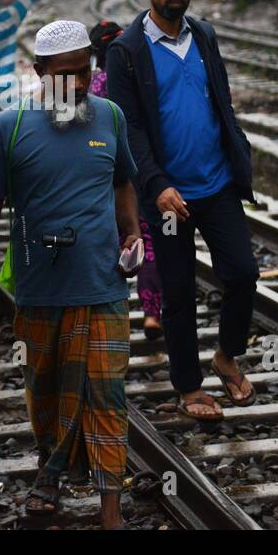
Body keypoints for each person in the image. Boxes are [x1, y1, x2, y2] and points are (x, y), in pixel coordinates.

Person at [0, 20, 140, 530]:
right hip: (40, 289)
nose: (76, 84)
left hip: (103, 286)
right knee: (45, 392)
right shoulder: (9, 128)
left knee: (108, 397)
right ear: (40, 71)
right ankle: (50, 472)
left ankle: (109, 508)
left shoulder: (110, 117)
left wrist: (132, 235)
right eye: (64, 75)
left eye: (84, 71)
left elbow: (122, 182)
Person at [105, 0, 259, 424]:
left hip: (217, 185)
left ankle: (227, 355)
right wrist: (155, 185)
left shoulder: (205, 36)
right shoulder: (126, 50)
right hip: (168, 196)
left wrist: (239, 157)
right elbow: (127, 127)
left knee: (243, 273)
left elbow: (222, 103)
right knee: (178, 292)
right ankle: (189, 387)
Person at [89, 20, 163, 341]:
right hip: (139, 174)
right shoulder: (137, 80)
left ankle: (109, 315)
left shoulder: (91, 88)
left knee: (108, 244)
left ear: (94, 55)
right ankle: (151, 314)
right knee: (145, 241)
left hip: (106, 178)